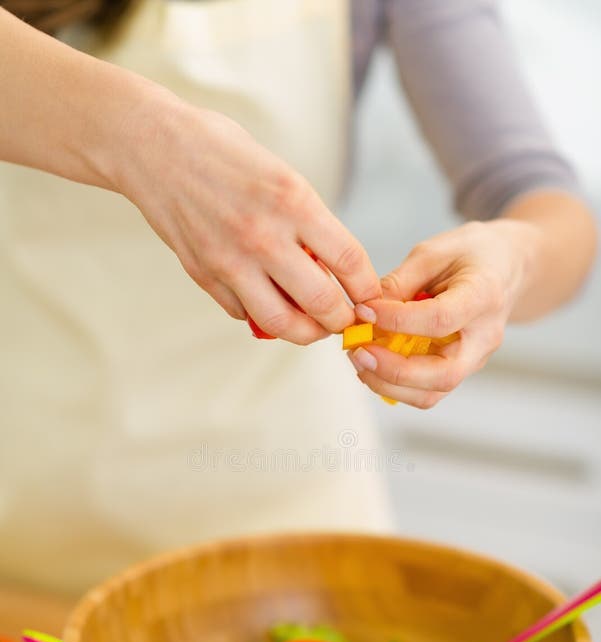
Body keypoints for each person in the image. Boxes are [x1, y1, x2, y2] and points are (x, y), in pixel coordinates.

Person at [0, 1, 596, 596]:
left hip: (285, 523)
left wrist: (514, 258)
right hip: (19, 516)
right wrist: (146, 137)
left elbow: (548, 209)